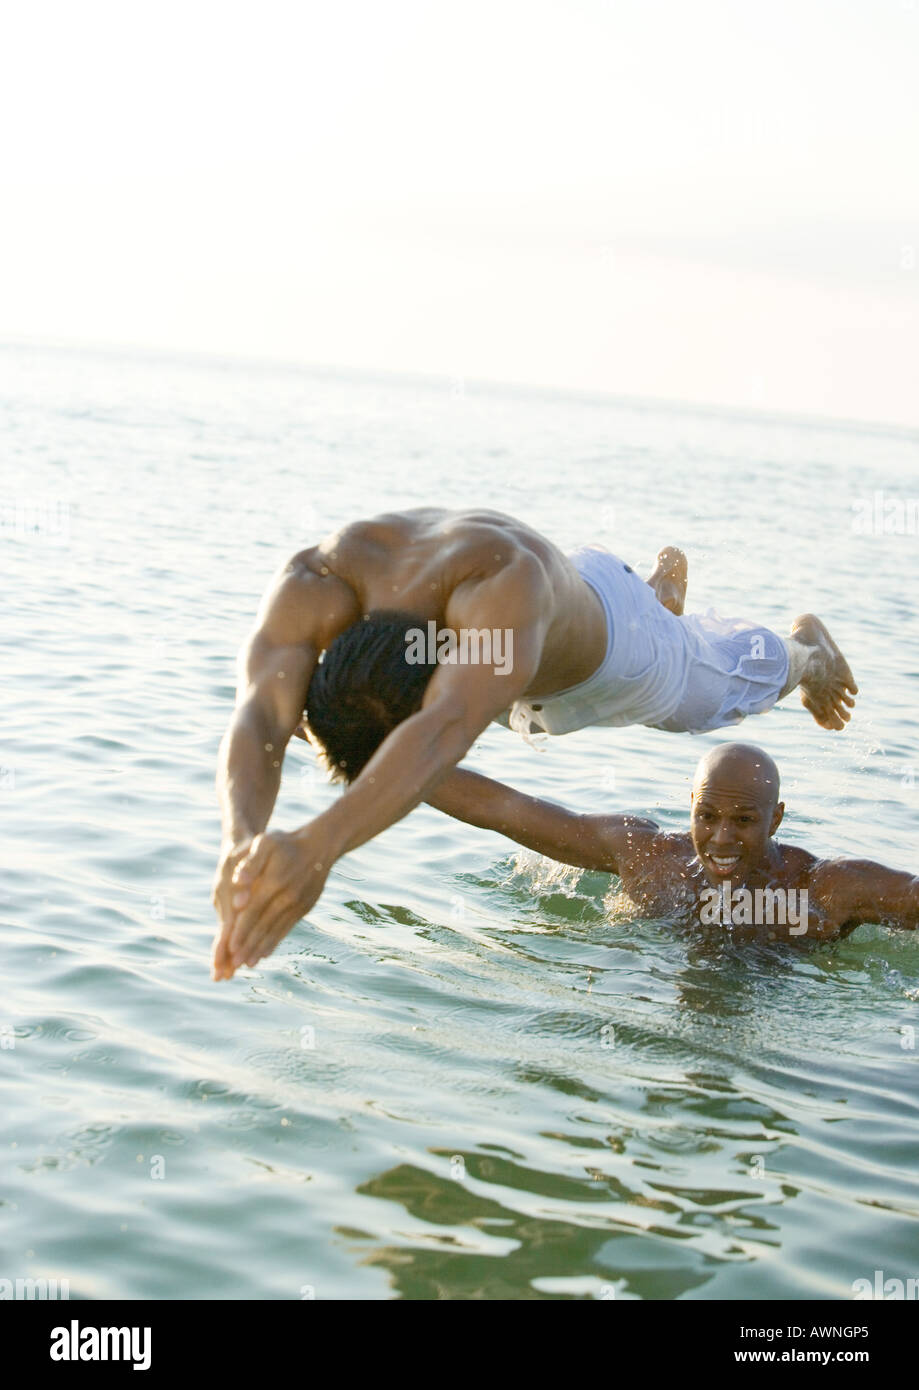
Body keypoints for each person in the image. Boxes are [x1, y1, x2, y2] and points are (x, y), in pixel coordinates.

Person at [212, 508, 858, 977]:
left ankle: (802, 652)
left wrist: (316, 848)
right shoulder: (316, 582)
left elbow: (438, 733)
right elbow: (259, 715)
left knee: (717, 699)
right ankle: (657, 591)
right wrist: (241, 844)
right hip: (539, 634)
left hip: (624, 658)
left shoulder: (500, 589)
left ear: (441, 678)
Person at [427, 742, 918, 942]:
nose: (721, 838)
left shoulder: (822, 888)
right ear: (690, 806)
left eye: (744, 820)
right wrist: (384, 762)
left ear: (776, 820)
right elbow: (500, 810)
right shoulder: (649, 855)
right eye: (706, 816)